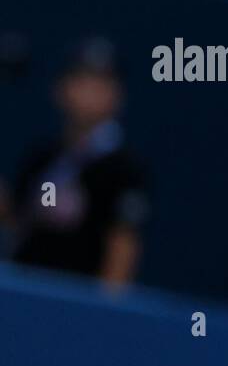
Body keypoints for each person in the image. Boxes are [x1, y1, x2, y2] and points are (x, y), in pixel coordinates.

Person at [5, 42, 148, 287]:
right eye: (82, 80)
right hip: (22, 292)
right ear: (61, 90)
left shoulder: (125, 171)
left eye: (102, 84)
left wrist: (101, 313)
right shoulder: (42, 157)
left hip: (74, 307)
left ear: (117, 96)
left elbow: (122, 251)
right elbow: (17, 224)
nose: (90, 93)